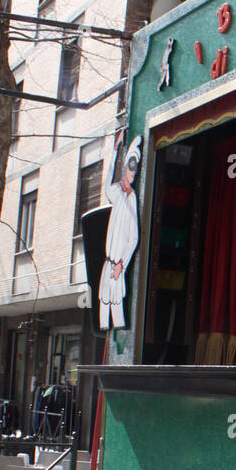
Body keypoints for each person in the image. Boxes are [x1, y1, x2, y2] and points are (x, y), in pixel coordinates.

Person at [99, 130, 142, 330]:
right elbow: (107, 182)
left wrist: (121, 264)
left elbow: (133, 237)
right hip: (108, 263)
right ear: (125, 167)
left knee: (117, 311)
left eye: (135, 168)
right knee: (103, 309)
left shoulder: (131, 198)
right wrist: (115, 151)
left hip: (118, 265)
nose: (132, 173)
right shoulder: (116, 192)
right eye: (130, 167)